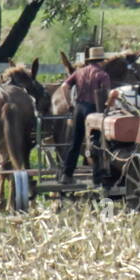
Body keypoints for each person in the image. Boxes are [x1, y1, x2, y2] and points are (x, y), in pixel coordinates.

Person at [59, 46, 112, 186]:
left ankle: (67, 174)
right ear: (101, 61)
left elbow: (65, 86)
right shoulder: (103, 75)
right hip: (94, 110)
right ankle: (97, 178)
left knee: (75, 142)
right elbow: (108, 93)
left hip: (79, 108)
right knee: (96, 143)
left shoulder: (79, 72)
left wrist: (70, 104)